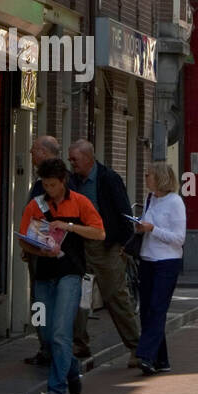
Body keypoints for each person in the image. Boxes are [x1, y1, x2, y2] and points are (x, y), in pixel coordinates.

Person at [18, 159, 105, 394]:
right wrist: (39, 249)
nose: (49, 189)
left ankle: (56, 389)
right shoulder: (35, 205)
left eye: (53, 185)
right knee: (45, 332)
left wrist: (69, 226)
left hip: (70, 273)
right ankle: (71, 368)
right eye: (45, 185)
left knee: (60, 332)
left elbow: (99, 232)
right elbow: (23, 239)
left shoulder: (79, 202)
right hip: (43, 274)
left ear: (63, 181)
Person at [67, 139, 140, 365]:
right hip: (81, 247)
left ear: (89, 158)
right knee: (80, 296)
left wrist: (123, 245)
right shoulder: (72, 181)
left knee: (116, 297)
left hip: (106, 247)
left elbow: (124, 213)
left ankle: (137, 347)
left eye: (74, 159)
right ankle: (80, 343)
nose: (71, 163)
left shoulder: (108, 179)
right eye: (70, 159)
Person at [133, 162, 186, 376]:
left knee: (157, 308)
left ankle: (145, 355)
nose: (145, 177)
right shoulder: (150, 199)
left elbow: (179, 238)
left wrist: (153, 229)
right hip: (147, 259)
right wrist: (139, 227)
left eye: (149, 175)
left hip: (167, 261)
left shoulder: (175, 202)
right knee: (147, 310)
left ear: (161, 178)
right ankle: (161, 360)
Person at [22, 136, 63, 365]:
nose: (30, 152)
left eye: (35, 149)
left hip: (51, 254)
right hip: (37, 251)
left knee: (45, 300)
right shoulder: (40, 183)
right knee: (39, 300)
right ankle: (46, 346)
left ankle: (52, 347)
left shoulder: (53, 185)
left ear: (45, 153)